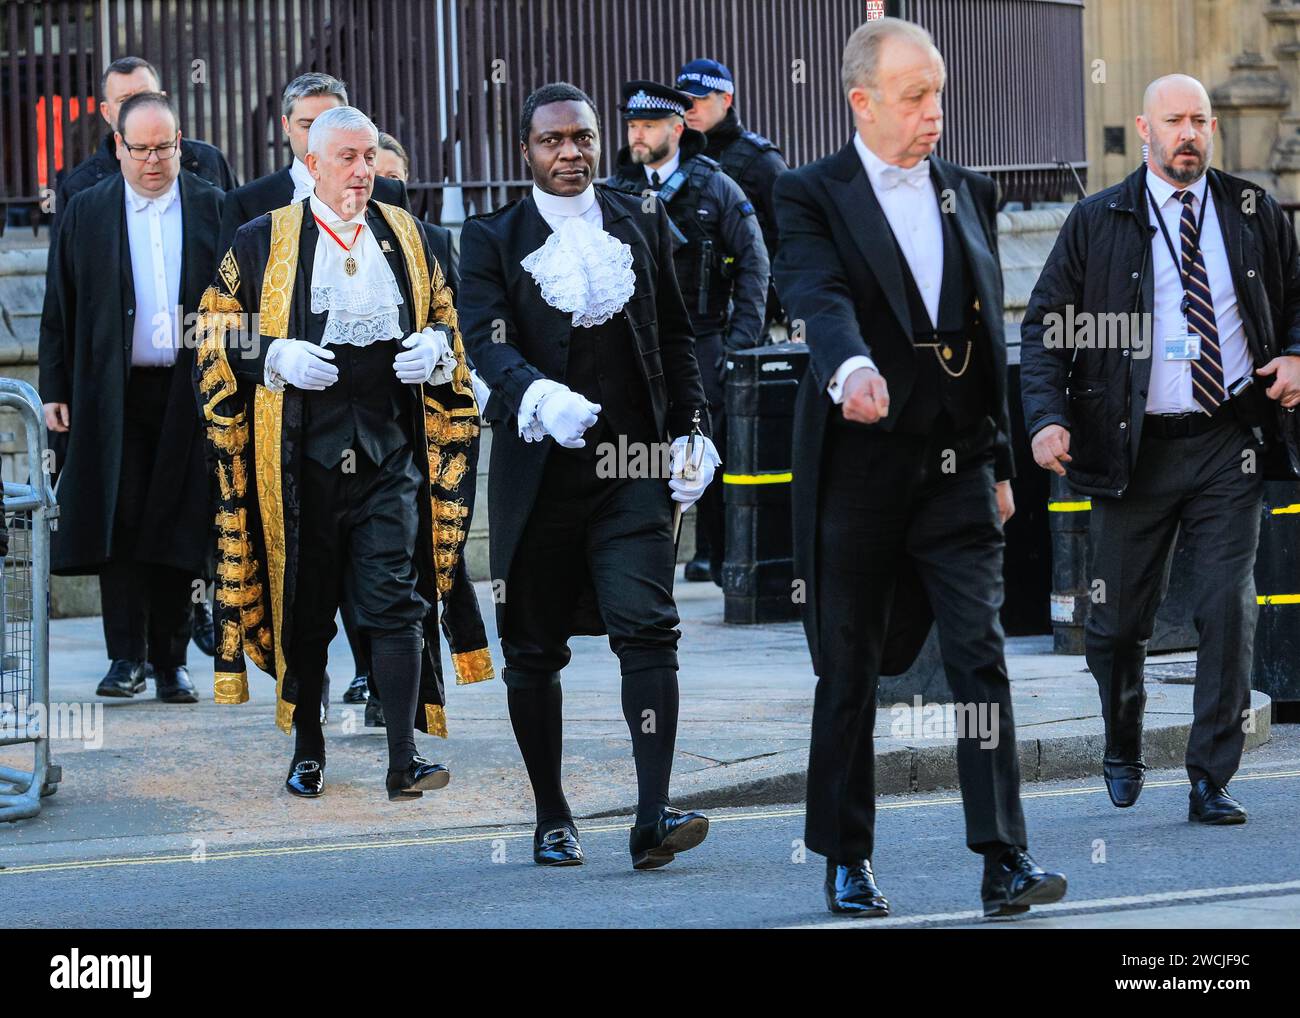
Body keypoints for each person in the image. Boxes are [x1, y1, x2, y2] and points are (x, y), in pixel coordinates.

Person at [773, 18, 1067, 918]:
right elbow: (816, 295)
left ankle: (1003, 857)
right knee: (851, 665)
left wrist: (1004, 464)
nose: (934, 112)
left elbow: (986, 335)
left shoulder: (966, 189)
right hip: (859, 469)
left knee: (980, 656)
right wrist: (850, 366)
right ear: (861, 102)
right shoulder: (810, 192)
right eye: (914, 97)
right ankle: (846, 860)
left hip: (957, 471)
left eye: (939, 93)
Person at [1021, 74, 1300, 825]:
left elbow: (1299, 299)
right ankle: (1123, 738)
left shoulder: (1252, 209)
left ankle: (1211, 774)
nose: (1190, 133)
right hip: (1131, 451)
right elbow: (1046, 328)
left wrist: (1297, 356)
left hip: (1227, 442)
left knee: (1226, 610)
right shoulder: (1098, 219)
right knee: (1114, 625)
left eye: (1200, 120)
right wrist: (1046, 418)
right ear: (1142, 129)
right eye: (1174, 120)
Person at [193, 105, 493, 801]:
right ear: (316, 164)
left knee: (395, 601)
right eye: (349, 159)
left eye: (370, 159)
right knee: (306, 606)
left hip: (390, 456)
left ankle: (403, 756)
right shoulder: (262, 239)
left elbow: (452, 318)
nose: (364, 172)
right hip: (300, 461)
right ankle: (308, 747)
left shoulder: (411, 238)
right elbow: (211, 334)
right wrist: (274, 355)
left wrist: (438, 347)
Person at [459, 82, 718, 870]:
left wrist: (695, 430)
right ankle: (552, 812)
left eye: (582, 137)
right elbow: (484, 342)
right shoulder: (490, 237)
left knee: (649, 629)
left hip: (633, 469)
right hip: (540, 478)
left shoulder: (640, 215)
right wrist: (534, 392)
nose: (570, 152)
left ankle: (650, 815)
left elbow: (676, 334)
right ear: (526, 152)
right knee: (533, 650)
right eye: (552, 141)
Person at [48, 54, 234, 658]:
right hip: (113, 390)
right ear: (119, 147)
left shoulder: (212, 206)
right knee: (119, 520)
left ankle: (172, 661)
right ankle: (125, 657)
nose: (153, 162)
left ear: (180, 144)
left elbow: (243, 304)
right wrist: (55, 390)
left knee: (178, 522)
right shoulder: (88, 209)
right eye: (140, 150)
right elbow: (60, 305)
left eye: (163, 149)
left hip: (191, 390)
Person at [608, 80, 768, 587]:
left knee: (703, 444)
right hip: (634, 344)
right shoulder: (618, 189)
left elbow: (754, 263)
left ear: (677, 129)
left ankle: (714, 554)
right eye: (632, 125)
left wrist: (740, 342)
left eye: (648, 126)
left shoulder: (715, 185)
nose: (637, 135)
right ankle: (647, 557)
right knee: (638, 451)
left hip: (701, 339)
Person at [216, 73, 408, 255]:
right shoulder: (247, 202)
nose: (318, 135)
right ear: (286, 125)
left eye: (329, 124)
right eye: (307, 125)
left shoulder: (390, 193)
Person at [678, 58, 788, 328]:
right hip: (689, 316)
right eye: (684, 100)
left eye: (699, 99)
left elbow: (791, 238)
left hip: (748, 314)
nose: (689, 109)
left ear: (726, 99)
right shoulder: (672, 156)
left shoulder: (761, 161)